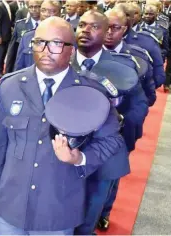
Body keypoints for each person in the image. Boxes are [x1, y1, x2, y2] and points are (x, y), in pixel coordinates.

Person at [0, 16, 124, 235]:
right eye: (39, 42)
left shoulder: (91, 93)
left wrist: (79, 158)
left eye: (56, 43)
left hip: (57, 209)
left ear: (71, 50)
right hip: (12, 205)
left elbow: (112, 140)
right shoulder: (10, 86)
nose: (45, 50)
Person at [71, 10, 148, 235]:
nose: (85, 30)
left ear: (106, 32)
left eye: (94, 26)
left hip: (104, 154)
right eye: (81, 25)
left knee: (89, 217)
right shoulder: (60, 59)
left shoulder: (123, 65)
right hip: (64, 153)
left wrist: (119, 126)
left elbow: (139, 105)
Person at [116, 3, 165, 89]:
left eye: (127, 15)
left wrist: (145, 93)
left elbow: (158, 74)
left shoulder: (147, 40)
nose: (123, 17)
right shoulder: (100, 39)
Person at [14, 0, 62, 71]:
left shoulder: (67, 37)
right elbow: (19, 66)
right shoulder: (27, 37)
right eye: (43, 10)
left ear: (59, 14)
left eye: (52, 11)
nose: (47, 14)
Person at [4, 0, 42, 73]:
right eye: (31, 7)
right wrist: (8, 71)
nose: (33, 9)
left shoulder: (47, 26)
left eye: (37, 6)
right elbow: (12, 50)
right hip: (25, 68)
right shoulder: (20, 25)